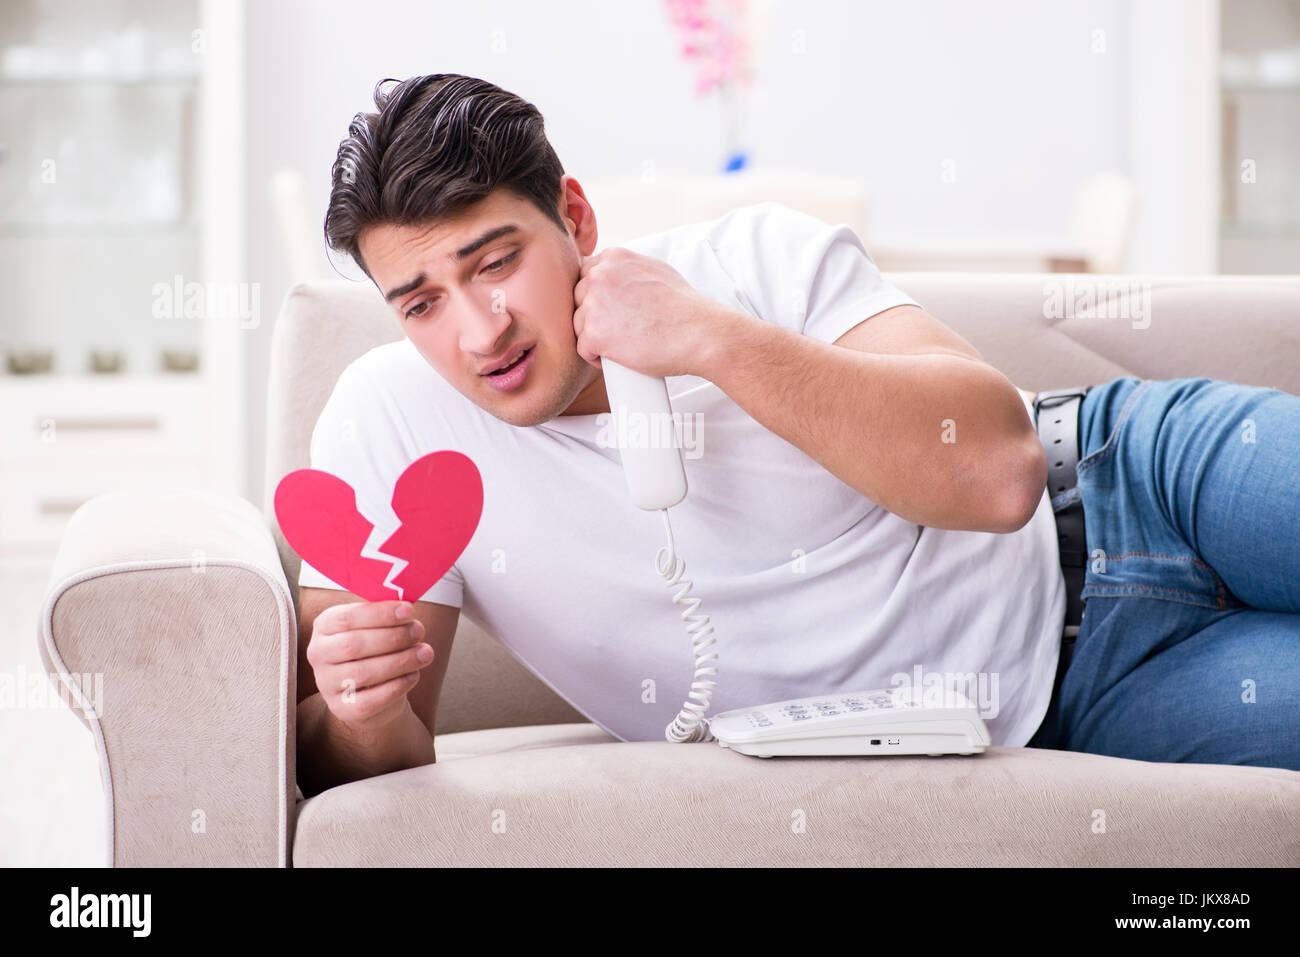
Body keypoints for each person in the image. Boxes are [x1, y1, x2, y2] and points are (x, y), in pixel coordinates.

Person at [295, 74, 1298, 795]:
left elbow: (998, 472)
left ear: (576, 219)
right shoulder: (390, 423)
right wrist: (365, 709)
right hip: (1082, 689)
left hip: (1142, 475)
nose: (479, 331)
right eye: (420, 302)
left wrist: (710, 341)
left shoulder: (751, 258)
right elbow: (346, 761)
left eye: (495, 262)